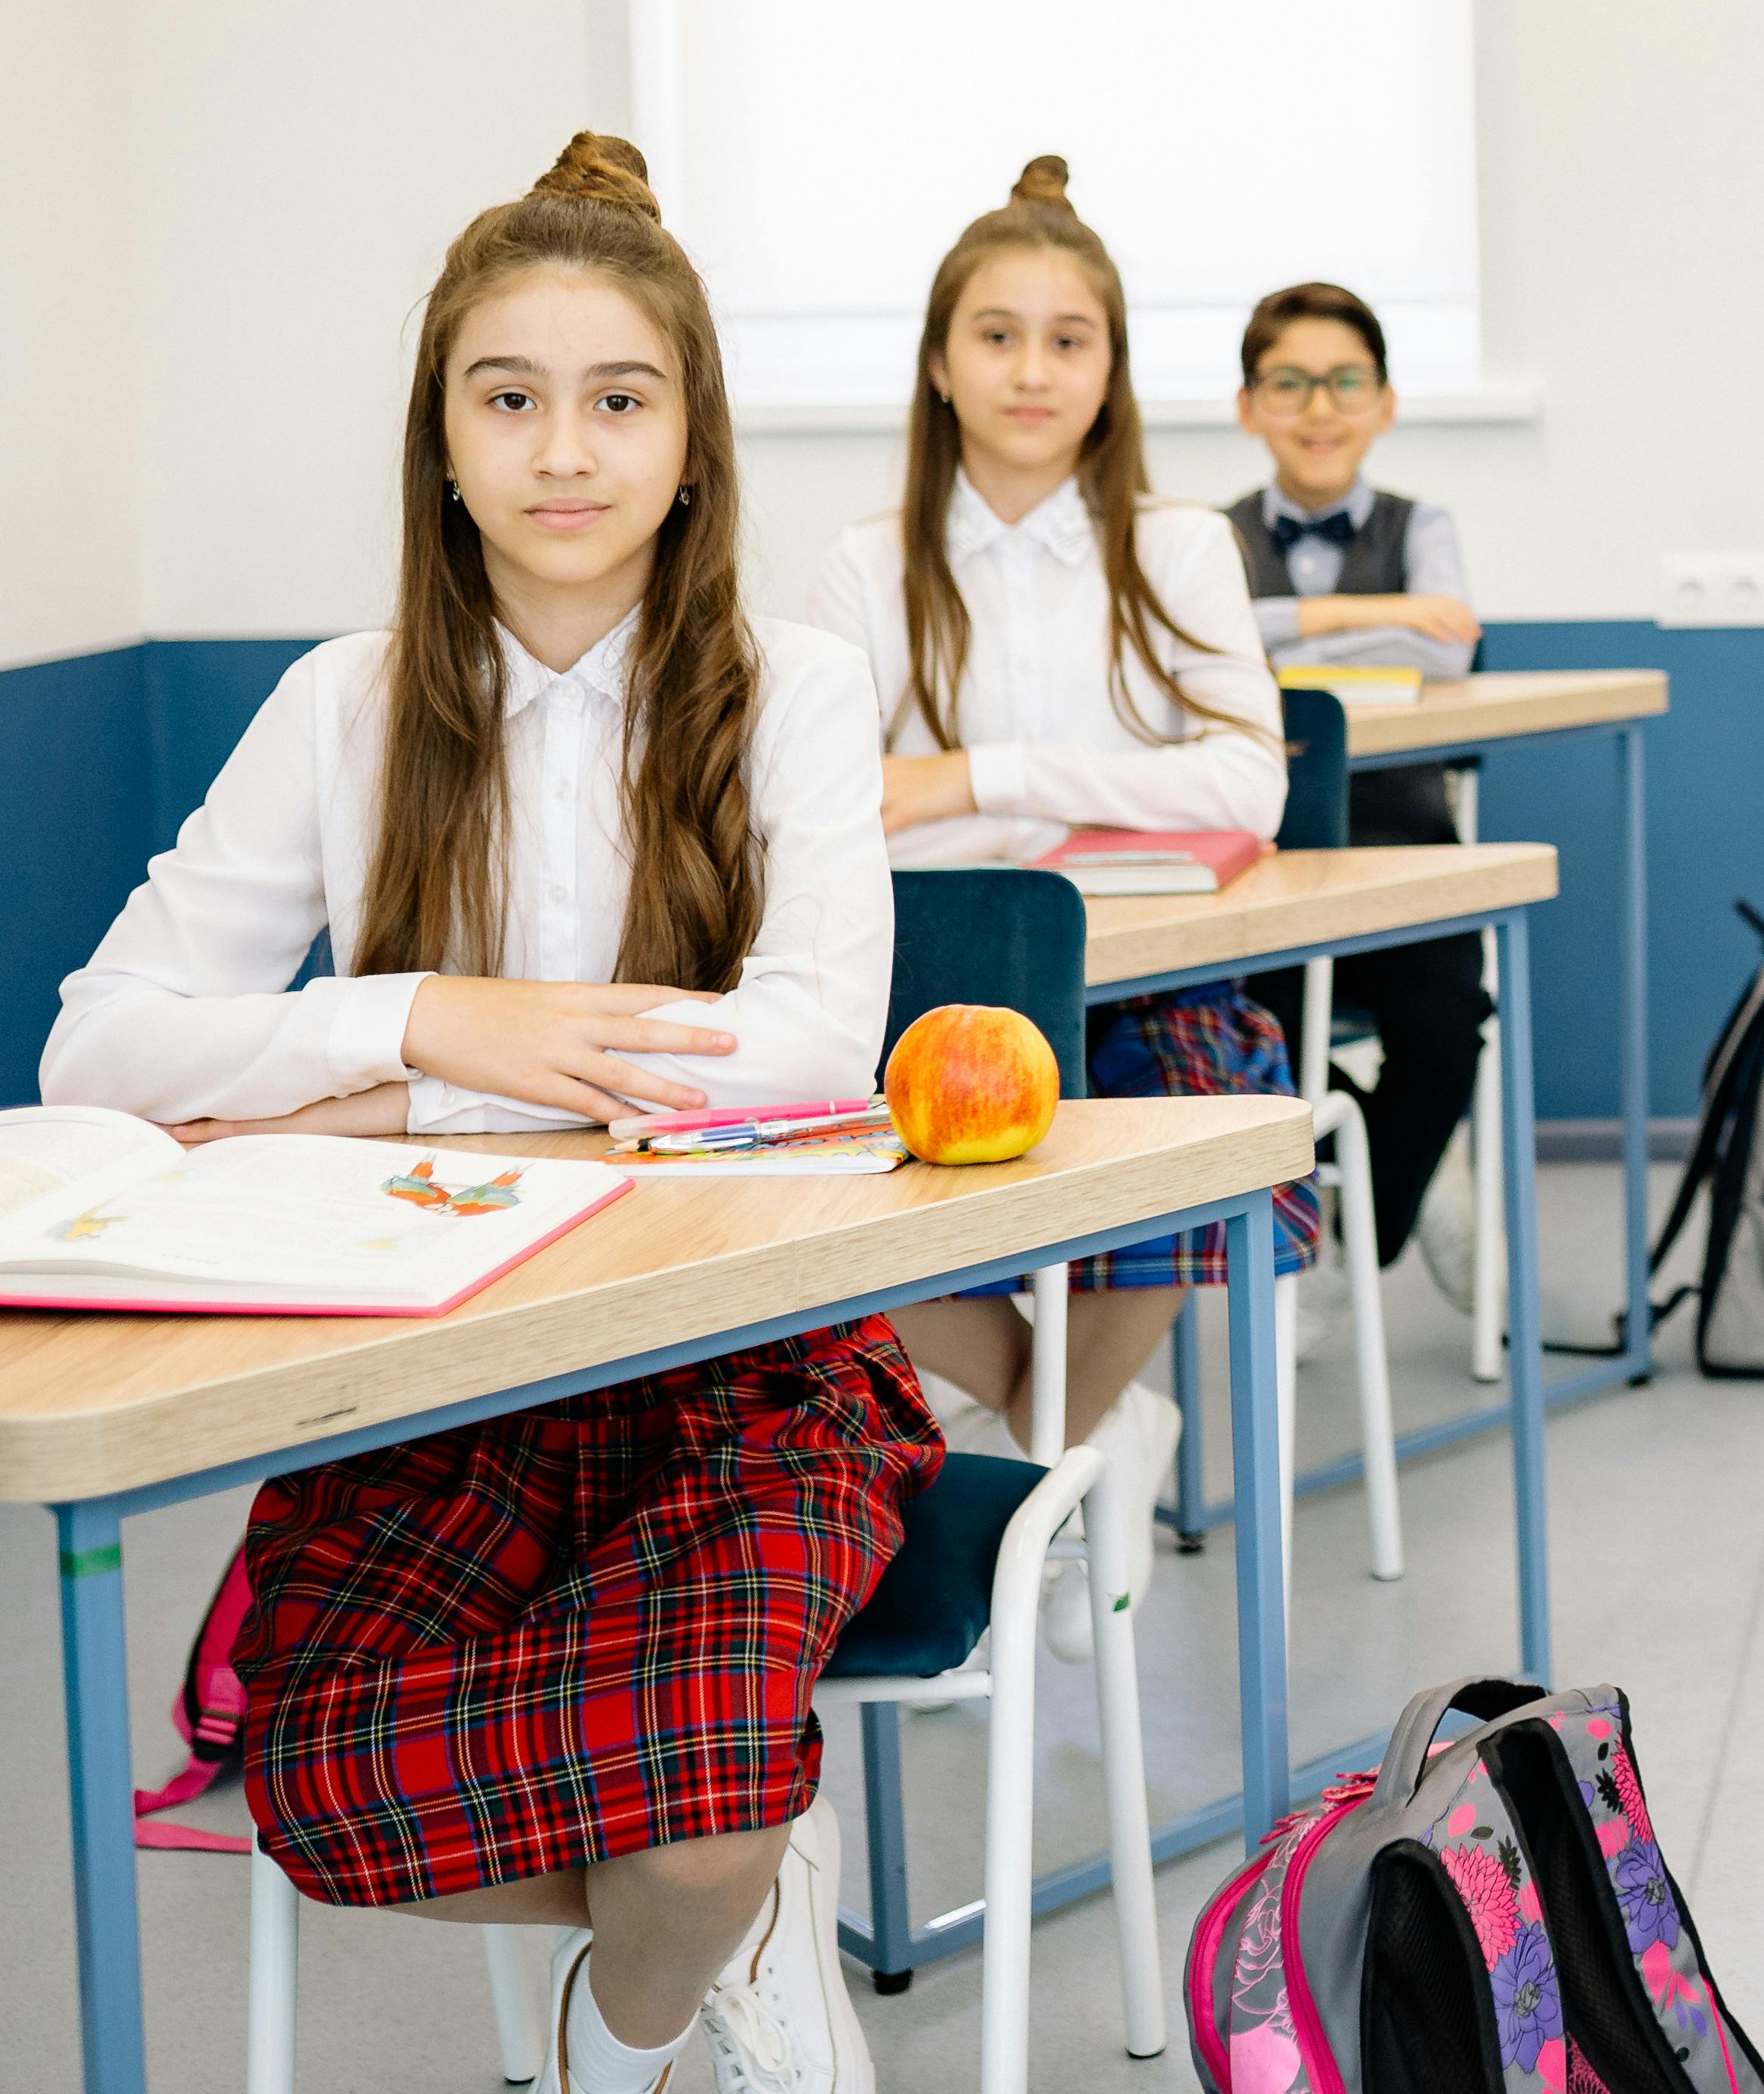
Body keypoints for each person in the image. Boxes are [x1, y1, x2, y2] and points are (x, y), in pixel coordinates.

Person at [44, 134, 913, 2094]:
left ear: (691, 441)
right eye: (507, 399)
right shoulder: (344, 704)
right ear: (440, 437)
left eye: (620, 399)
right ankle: (733, 1912)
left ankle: (646, 2001)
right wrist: (433, 1014)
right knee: (317, 1782)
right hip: (435, 1373)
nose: (563, 451)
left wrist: (392, 1093)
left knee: (699, 1807)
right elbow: (102, 1046)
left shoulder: (793, 685)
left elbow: (810, 1048)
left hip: (743, 1357)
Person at [805, 157, 1301, 1648]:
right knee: (805, 1173)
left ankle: (1037, 1472)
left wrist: (969, 778)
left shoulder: (1177, 545)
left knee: (1200, 1107)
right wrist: (1064, 789)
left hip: (1143, 972)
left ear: (1111, 366)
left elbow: (1250, 786)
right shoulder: (865, 566)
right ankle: (1091, 1436)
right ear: (940, 363)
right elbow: (826, 805)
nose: (1032, 370)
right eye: (998, 334)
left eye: (1068, 338)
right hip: (930, 987)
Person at [1222, 278, 1494, 1273]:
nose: (1320, 408)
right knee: (1246, 1039)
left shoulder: (1424, 525)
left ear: (1384, 402)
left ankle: (1362, 1235)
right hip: (1265, 864)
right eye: (1289, 382)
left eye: (1345, 381)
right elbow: (1197, 644)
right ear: (1249, 406)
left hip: (1406, 857)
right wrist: (1366, 617)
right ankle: (1362, 1193)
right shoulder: (1206, 537)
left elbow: (1447, 649)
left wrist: (1269, 641)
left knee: (1447, 1026)